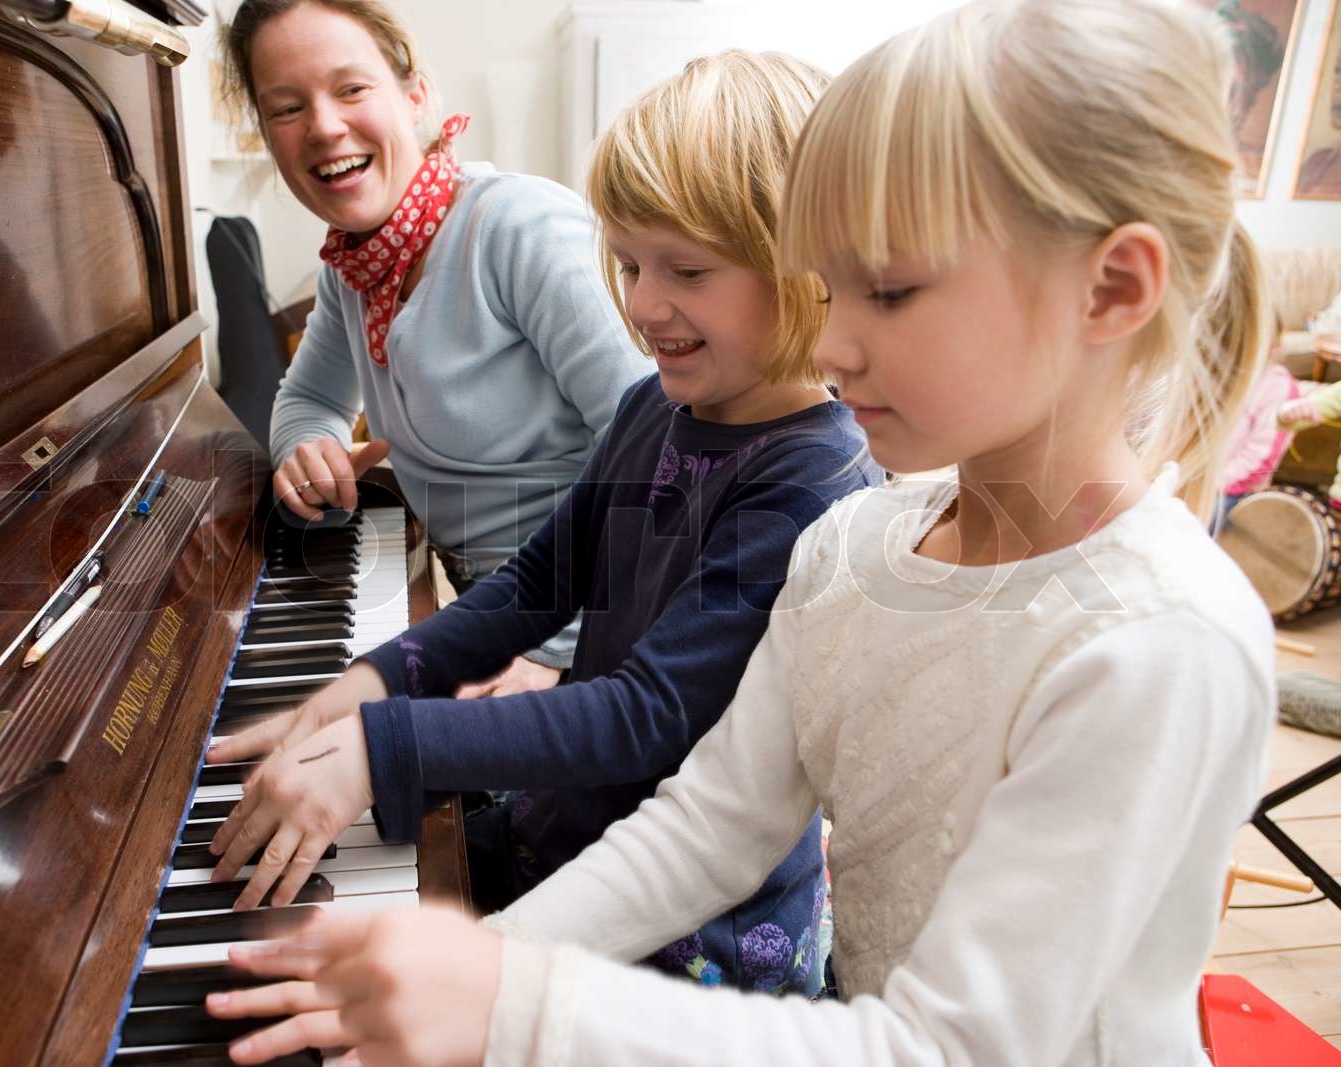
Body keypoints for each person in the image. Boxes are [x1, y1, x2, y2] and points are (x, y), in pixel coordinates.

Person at [205, 2, 1278, 1064]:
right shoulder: (857, 542)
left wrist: (511, 997)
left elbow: (951, 1044)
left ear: (1112, 288)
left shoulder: (1154, 641)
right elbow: (708, 824)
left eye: (886, 290)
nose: (834, 337)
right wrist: (479, 966)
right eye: (827, 281)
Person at [203, 49, 879, 997]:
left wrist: (389, 745)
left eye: (685, 269)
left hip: (689, 941)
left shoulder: (814, 480)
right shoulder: (657, 408)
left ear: (806, 266)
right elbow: (538, 582)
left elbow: (649, 715)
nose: (642, 305)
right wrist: (377, 677)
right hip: (567, 825)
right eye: (632, 261)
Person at [224, 0, 649, 686]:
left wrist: (553, 649)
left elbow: (656, 448)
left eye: (352, 88)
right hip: (479, 608)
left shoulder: (518, 226)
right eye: (286, 107)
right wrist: (307, 446)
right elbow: (306, 395)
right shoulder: (353, 269)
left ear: (415, 92)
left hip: (594, 625)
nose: (325, 127)